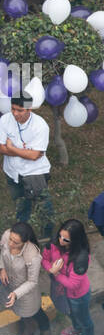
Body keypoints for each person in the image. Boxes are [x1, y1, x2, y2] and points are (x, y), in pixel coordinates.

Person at [0, 97, 54, 238]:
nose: (15, 113)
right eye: (13, 109)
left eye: (20, 110)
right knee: (21, 205)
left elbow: (35, 155)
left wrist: (11, 148)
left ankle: (47, 236)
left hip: (34, 173)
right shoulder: (5, 120)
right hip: (13, 172)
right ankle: (22, 236)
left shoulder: (40, 126)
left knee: (44, 207)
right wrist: (22, 151)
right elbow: (1, 148)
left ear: (29, 109)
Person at [41, 218, 94, 335]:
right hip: (60, 291)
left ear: (76, 241)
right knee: (70, 312)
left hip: (77, 295)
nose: (61, 241)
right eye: (60, 236)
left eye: (66, 240)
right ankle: (76, 328)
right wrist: (51, 269)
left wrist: (55, 273)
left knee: (84, 319)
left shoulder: (81, 257)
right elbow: (44, 259)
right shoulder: (53, 243)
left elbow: (73, 284)